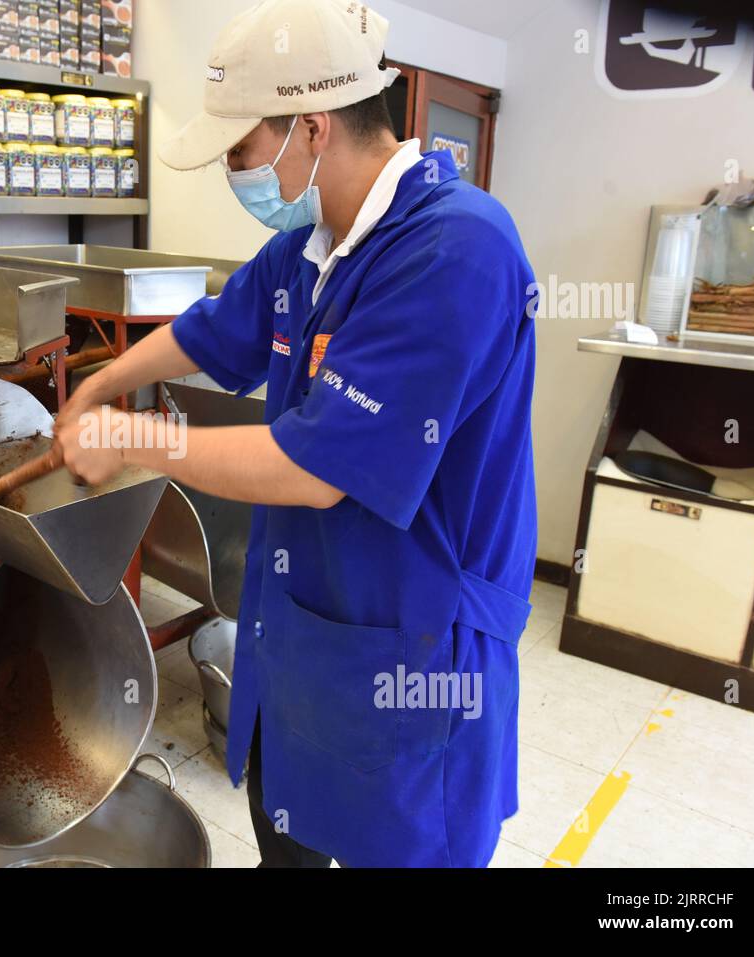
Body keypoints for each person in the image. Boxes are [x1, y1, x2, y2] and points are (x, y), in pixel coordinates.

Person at [53, 0, 537, 867]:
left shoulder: (457, 252)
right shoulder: (315, 244)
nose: (235, 173)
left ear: (312, 127)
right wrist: (100, 382)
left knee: (399, 840)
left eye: (241, 152)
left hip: (417, 639)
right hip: (311, 622)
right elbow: (211, 329)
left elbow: (316, 467)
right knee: (291, 831)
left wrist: (134, 438)